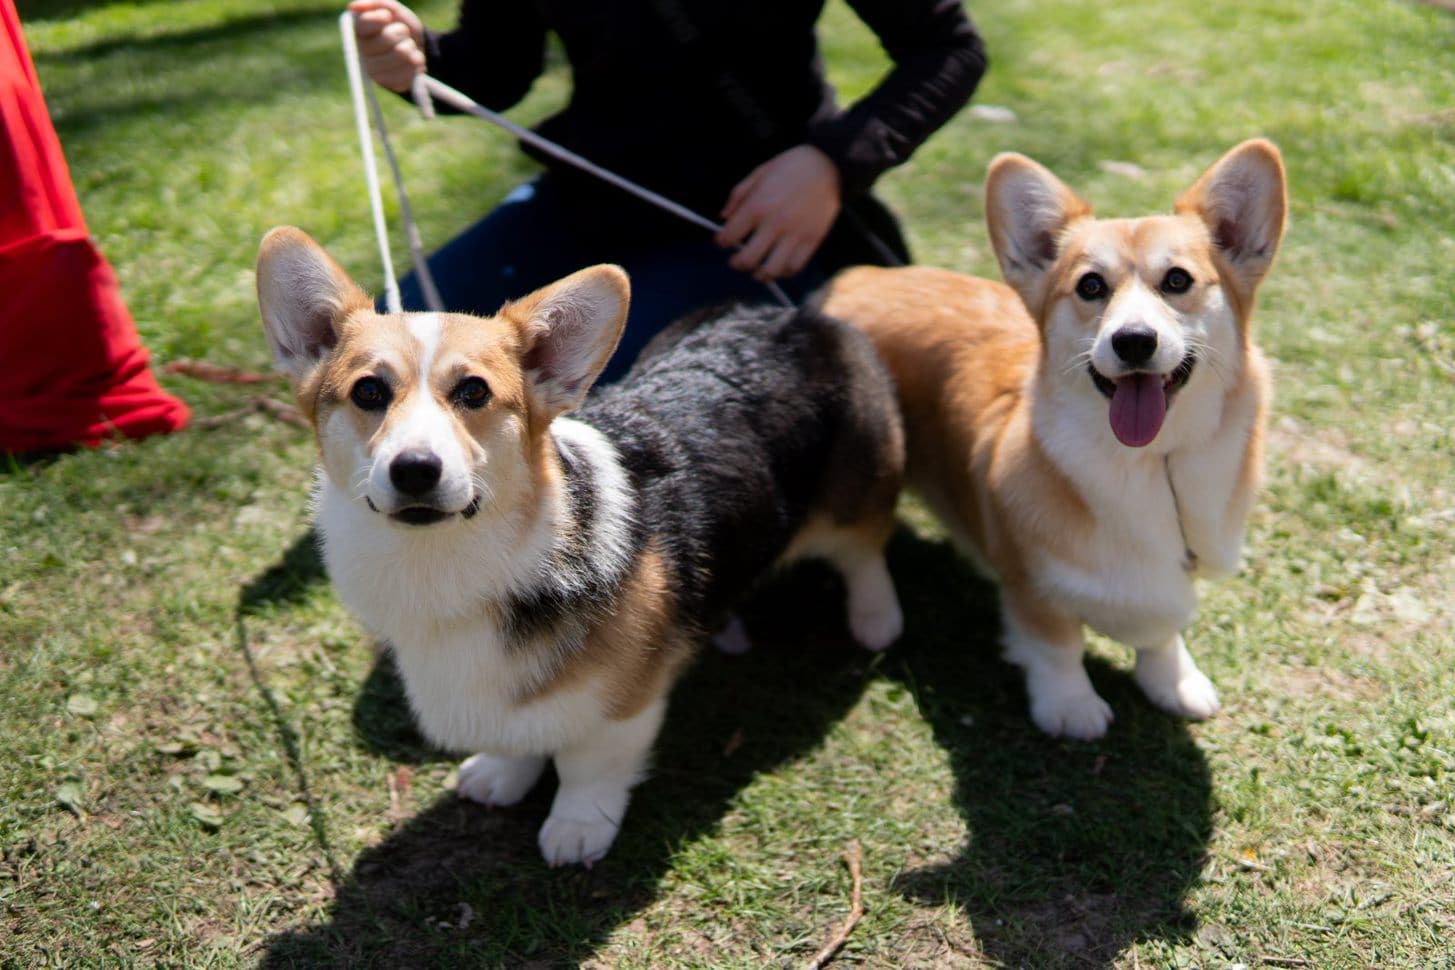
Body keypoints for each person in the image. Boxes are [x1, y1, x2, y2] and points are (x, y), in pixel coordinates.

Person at [350, 0, 986, 380]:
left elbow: (948, 48)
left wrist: (830, 164)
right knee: (383, 353)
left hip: (752, 226)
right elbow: (495, 66)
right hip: (590, 203)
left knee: (588, 395)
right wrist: (414, 59)